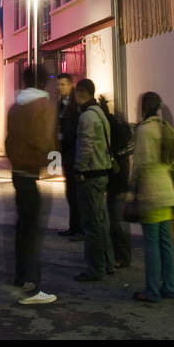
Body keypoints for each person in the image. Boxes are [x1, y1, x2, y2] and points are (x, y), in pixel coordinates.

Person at [4, 65, 58, 305]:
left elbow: (8, 141)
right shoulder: (43, 106)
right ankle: (31, 287)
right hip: (30, 172)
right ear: (43, 83)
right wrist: (49, 163)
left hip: (17, 172)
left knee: (22, 227)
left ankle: (20, 277)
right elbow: (44, 139)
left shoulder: (15, 107)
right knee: (33, 230)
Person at [130, 92, 174, 302]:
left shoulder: (144, 130)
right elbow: (172, 159)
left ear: (144, 107)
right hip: (167, 190)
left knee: (151, 244)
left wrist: (132, 186)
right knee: (166, 243)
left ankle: (152, 289)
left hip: (150, 192)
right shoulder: (165, 127)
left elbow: (140, 163)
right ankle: (169, 286)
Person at [73, 78, 114, 281]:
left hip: (91, 174)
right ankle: (108, 262)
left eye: (76, 92)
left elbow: (85, 146)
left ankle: (95, 268)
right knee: (101, 220)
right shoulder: (100, 113)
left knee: (91, 224)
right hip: (103, 171)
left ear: (82, 92)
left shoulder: (87, 117)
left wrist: (79, 169)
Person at [102, 95, 134, 269]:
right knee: (117, 220)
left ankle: (121, 256)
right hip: (119, 180)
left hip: (118, 181)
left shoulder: (115, 129)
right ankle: (121, 255)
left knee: (117, 221)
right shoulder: (122, 127)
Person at [54, 74, 82, 240]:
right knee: (70, 192)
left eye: (63, 84)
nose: (60, 87)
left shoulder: (75, 105)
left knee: (75, 193)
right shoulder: (60, 105)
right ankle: (74, 226)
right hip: (66, 154)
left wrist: (64, 136)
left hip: (74, 154)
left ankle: (79, 228)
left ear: (71, 85)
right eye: (58, 84)